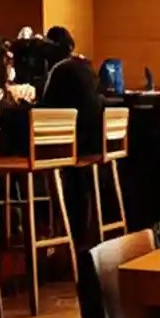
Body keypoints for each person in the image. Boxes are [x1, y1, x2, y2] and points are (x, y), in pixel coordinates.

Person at [41, 26, 104, 243]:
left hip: (74, 146)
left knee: (43, 156)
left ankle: (60, 230)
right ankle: (78, 234)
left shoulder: (60, 70)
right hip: (94, 144)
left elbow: (46, 110)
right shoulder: (84, 67)